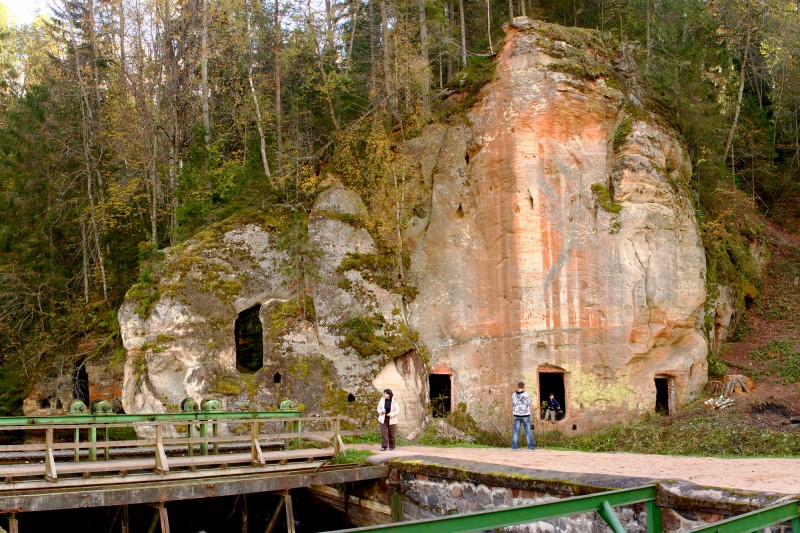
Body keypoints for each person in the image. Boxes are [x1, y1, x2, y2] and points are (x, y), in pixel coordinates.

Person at [511, 381, 535, 451]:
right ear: (523, 386)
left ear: (518, 386)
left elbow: (513, 402)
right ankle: (531, 447)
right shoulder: (526, 394)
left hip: (516, 414)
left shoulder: (513, 395)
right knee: (528, 431)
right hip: (525, 414)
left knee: (516, 431)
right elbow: (529, 402)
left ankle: (515, 447)